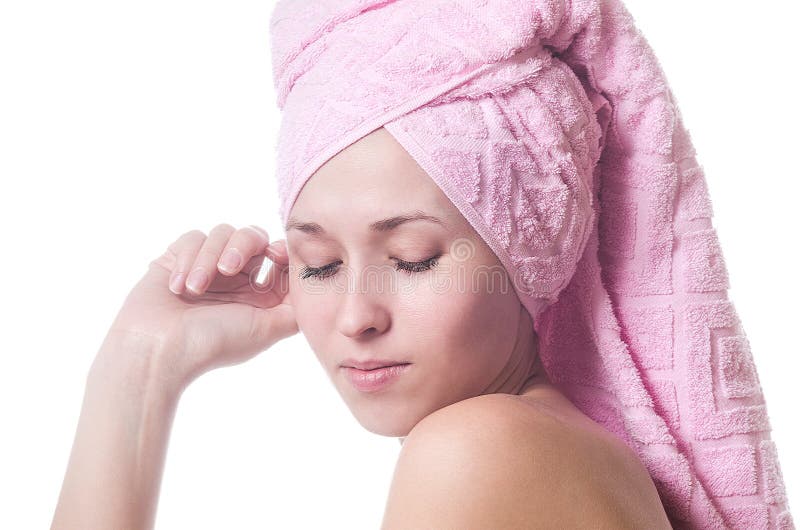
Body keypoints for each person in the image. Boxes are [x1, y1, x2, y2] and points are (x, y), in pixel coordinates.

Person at [50, 125, 672, 529]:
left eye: (412, 260)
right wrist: (139, 365)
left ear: (528, 254)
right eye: (320, 266)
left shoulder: (481, 446)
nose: (356, 317)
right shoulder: (539, 448)